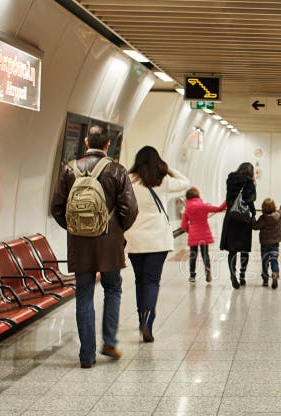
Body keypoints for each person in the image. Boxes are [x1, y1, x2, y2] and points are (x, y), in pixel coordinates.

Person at [51, 124, 138, 368]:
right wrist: (116, 229)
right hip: (109, 244)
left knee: (84, 296)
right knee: (113, 289)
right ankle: (109, 341)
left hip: (80, 246)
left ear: (86, 142)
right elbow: (130, 209)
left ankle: (86, 355)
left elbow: (57, 209)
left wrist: (76, 228)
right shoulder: (117, 170)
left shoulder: (69, 170)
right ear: (108, 144)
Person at [124, 146, 191, 342]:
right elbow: (185, 183)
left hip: (135, 238)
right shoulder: (162, 181)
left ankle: (140, 318)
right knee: (152, 281)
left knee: (139, 280)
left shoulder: (129, 180)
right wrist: (169, 168)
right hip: (157, 240)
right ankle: (148, 321)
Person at [220, 162, 257, 289]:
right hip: (243, 218)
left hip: (231, 217)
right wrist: (253, 213)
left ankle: (232, 274)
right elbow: (251, 200)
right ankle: (242, 276)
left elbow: (229, 197)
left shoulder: (230, 179)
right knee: (244, 249)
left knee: (232, 250)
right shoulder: (249, 182)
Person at [180, 187, 226, 283]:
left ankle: (192, 276)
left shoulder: (187, 209)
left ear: (187, 197)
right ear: (198, 196)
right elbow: (219, 209)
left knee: (193, 255)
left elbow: (183, 226)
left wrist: (191, 231)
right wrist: (228, 199)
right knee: (205, 254)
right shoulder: (203, 206)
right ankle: (207, 268)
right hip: (204, 234)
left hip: (193, 235)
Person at [253, 199, 281, 289]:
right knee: (274, 260)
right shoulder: (278, 215)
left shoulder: (262, 218)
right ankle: (275, 274)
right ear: (274, 206)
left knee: (264, 261)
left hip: (264, 244)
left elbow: (255, 226)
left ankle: (265, 280)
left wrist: (252, 218)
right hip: (275, 243)